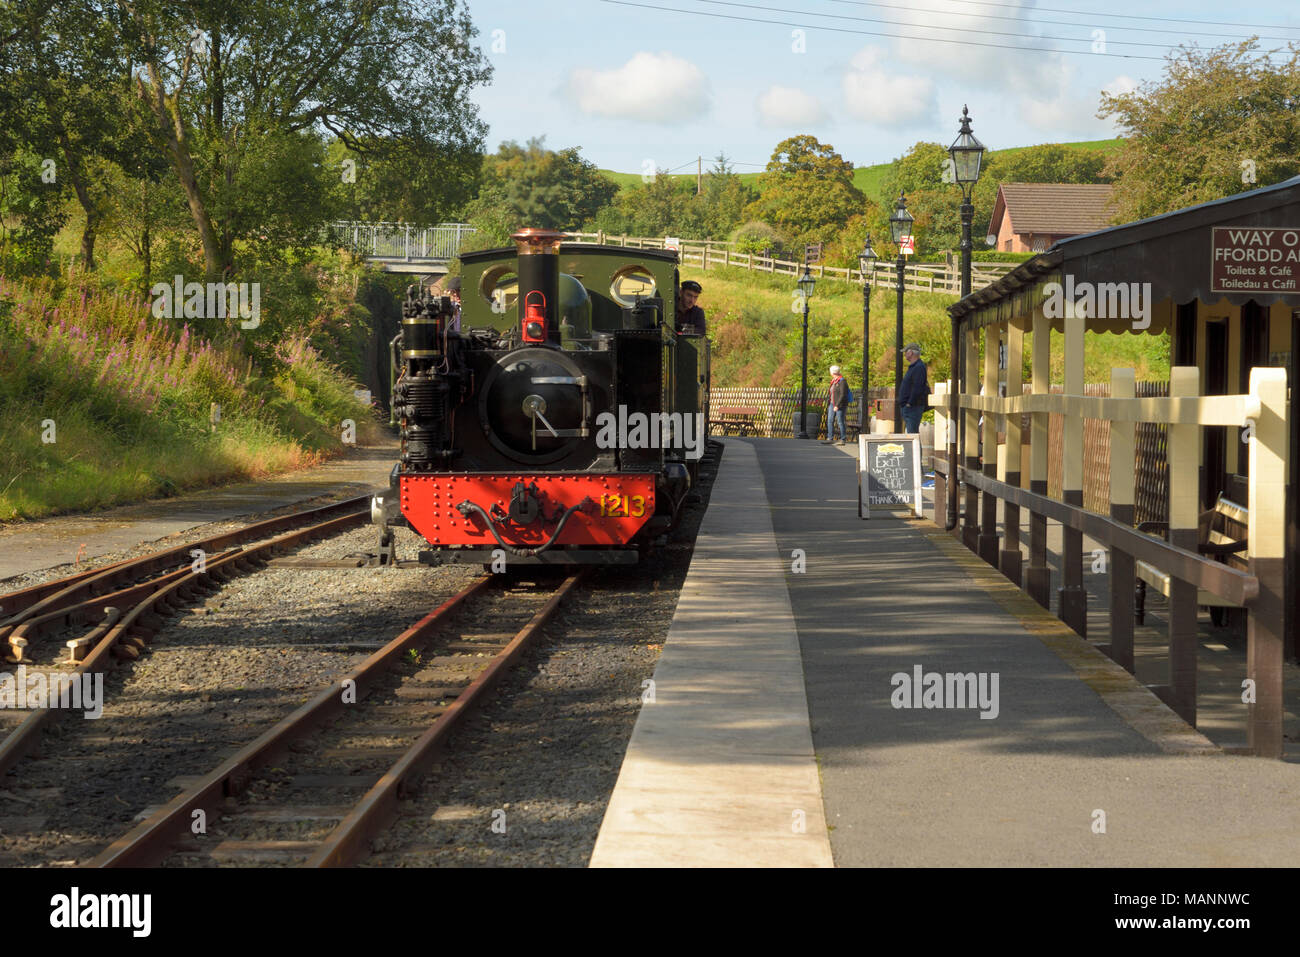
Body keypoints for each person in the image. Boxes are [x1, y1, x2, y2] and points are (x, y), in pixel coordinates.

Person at [898, 342, 929, 434]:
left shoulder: (919, 367)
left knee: (912, 435)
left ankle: (916, 449)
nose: (904, 354)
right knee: (911, 435)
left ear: (910, 352)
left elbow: (917, 387)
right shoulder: (914, 367)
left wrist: (909, 403)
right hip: (910, 407)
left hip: (913, 407)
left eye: (905, 352)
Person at [822, 364, 849, 445]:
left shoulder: (842, 381)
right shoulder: (834, 381)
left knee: (840, 421)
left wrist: (837, 405)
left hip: (839, 405)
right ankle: (830, 438)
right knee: (830, 420)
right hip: (831, 404)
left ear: (832, 372)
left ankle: (843, 439)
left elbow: (843, 394)